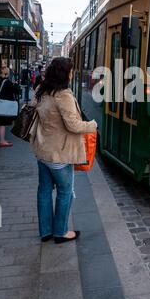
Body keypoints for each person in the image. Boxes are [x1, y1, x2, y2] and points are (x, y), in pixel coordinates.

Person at [29, 57, 97, 244]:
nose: (72, 74)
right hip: (59, 154)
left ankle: (46, 232)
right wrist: (92, 125)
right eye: (71, 71)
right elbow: (73, 126)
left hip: (42, 151)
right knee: (65, 191)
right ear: (65, 73)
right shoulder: (63, 95)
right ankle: (60, 232)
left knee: (43, 190)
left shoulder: (41, 90)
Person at [0, 66, 19, 148]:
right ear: (7, 73)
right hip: (3, 105)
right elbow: (16, 91)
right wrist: (15, 84)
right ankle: (2, 141)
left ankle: (1, 139)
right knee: (2, 123)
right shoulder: (7, 82)